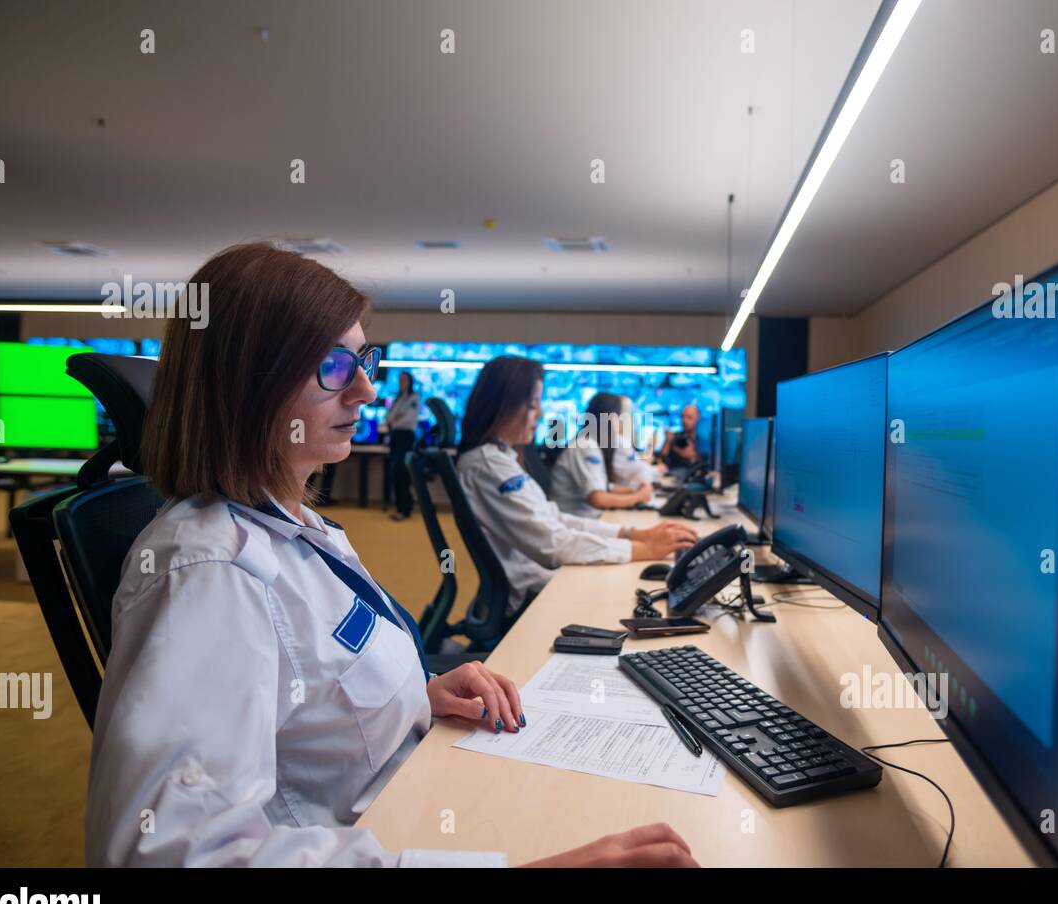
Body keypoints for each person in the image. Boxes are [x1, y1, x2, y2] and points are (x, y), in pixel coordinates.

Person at [86, 242, 697, 868]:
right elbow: (168, 857)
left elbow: (315, 690)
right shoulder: (211, 576)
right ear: (247, 383)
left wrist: (419, 695)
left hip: (415, 793)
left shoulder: (293, 526)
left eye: (363, 360)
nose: (365, 391)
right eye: (332, 365)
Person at [457, 356, 699, 615]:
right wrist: (644, 548)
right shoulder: (487, 466)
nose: (539, 414)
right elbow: (554, 544)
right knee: (632, 598)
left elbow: (556, 519)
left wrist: (633, 535)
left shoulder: (501, 458)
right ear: (503, 405)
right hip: (532, 592)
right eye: (533, 404)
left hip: (546, 575)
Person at [550, 392, 655, 518]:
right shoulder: (586, 446)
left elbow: (600, 486)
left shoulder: (590, 443)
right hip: (577, 522)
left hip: (584, 519)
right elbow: (598, 499)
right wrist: (638, 497)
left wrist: (630, 492)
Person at [383, 370, 420, 521]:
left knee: (402, 471)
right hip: (395, 436)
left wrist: (396, 418)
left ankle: (405, 509)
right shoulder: (398, 398)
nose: (402, 382)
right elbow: (389, 417)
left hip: (406, 437)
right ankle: (399, 507)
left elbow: (409, 420)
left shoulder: (414, 398)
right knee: (395, 471)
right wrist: (397, 417)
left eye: (405, 380)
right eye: (400, 380)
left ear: (410, 381)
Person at [660, 402, 704, 472]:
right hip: (676, 475)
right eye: (683, 417)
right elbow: (662, 457)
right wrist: (668, 441)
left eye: (689, 417)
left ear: (698, 418)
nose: (684, 420)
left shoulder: (704, 440)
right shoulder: (676, 437)